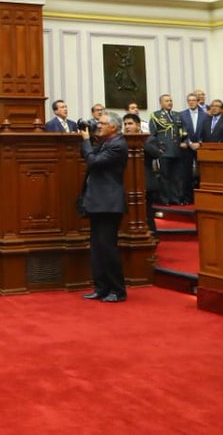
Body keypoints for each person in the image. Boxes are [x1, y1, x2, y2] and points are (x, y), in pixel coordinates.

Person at [79, 111, 127, 303]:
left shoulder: (118, 144)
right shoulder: (106, 142)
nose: (98, 125)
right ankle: (101, 288)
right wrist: (90, 138)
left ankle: (117, 290)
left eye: (102, 123)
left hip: (109, 203)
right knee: (97, 248)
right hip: (98, 201)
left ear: (113, 127)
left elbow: (93, 161)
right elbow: (86, 155)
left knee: (107, 248)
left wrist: (86, 140)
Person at [148, 95, 182, 205]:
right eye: (167, 101)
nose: (170, 103)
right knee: (165, 176)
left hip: (177, 149)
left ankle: (176, 199)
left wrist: (184, 141)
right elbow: (152, 135)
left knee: (176, 176)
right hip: (164, 150)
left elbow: (182, 130)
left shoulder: (177, 115)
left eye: (171, 100)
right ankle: (165, 199)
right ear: (161, 103)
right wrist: (158, 148)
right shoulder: (156, 115)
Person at [177, 93, 208, 205]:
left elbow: (207, 131)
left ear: (198, 101)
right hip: (187, 148)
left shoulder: (205, 115)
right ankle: (187, 198)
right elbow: (179, 130)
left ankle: (203, 198)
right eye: (189, 100)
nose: (191, 102)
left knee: (203, 173)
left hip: (201, 147)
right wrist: (189, 142)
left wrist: (199, 143)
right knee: (186, 174)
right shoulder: (181, 114)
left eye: (193, 100)